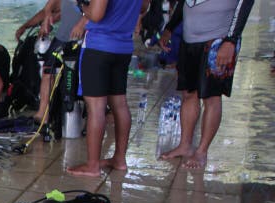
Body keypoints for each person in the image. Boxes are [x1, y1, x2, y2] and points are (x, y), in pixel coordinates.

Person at [159, 0, 254, 169]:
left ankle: (202, 151)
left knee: (211, 97)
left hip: (218, 41)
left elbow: (245, 4)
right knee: (188, 93)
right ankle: (185, 145)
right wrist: (170, 28)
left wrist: (231, 40)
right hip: (189, 40)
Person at [66, 0, 151, 178]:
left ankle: (93, 165)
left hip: (99, 46)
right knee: (119, 103)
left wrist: (81, 4)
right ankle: (119, 159)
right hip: (123, 47)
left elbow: (96, 15)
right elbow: (143, 7)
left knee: (96, 108)